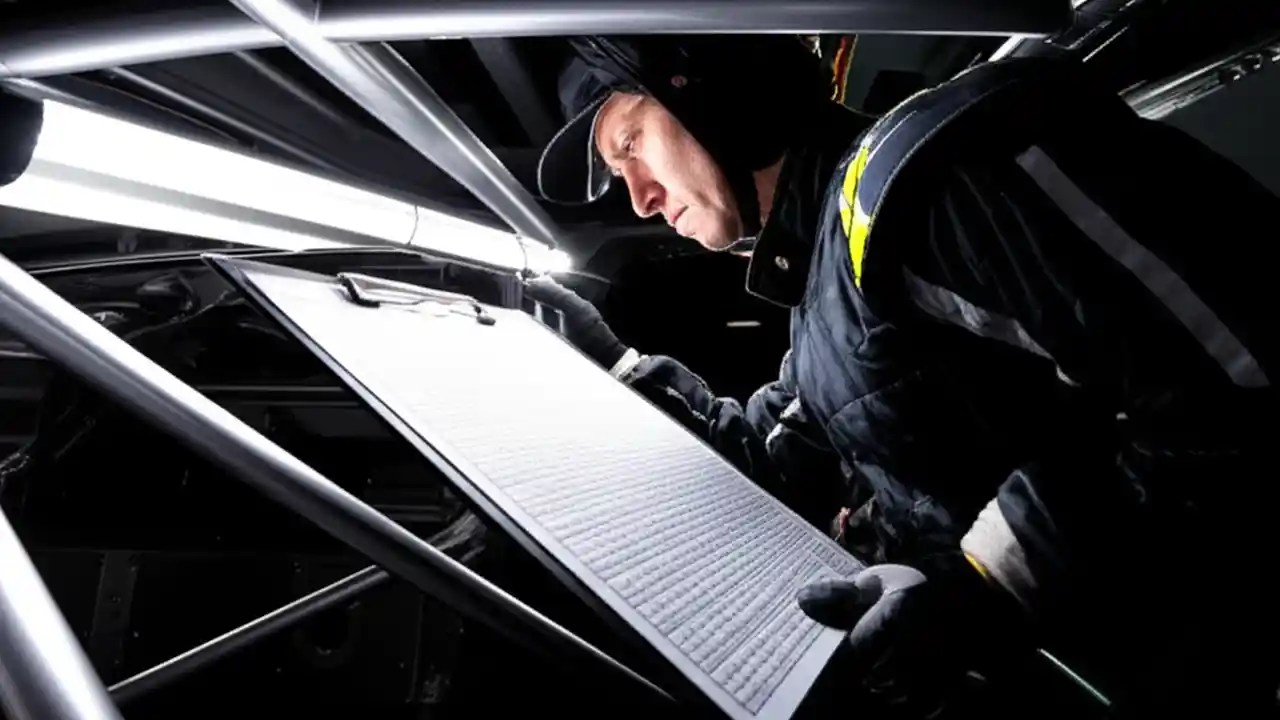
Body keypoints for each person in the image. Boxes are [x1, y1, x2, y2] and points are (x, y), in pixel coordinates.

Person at [530, 36, 1279, 717]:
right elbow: (772, 456)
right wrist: (617, 365)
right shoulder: (830, 276)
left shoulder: (928, 181)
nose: (639, 196)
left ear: (703, 85)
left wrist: (988, 582)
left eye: (631, 143)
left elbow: (1232, 388)